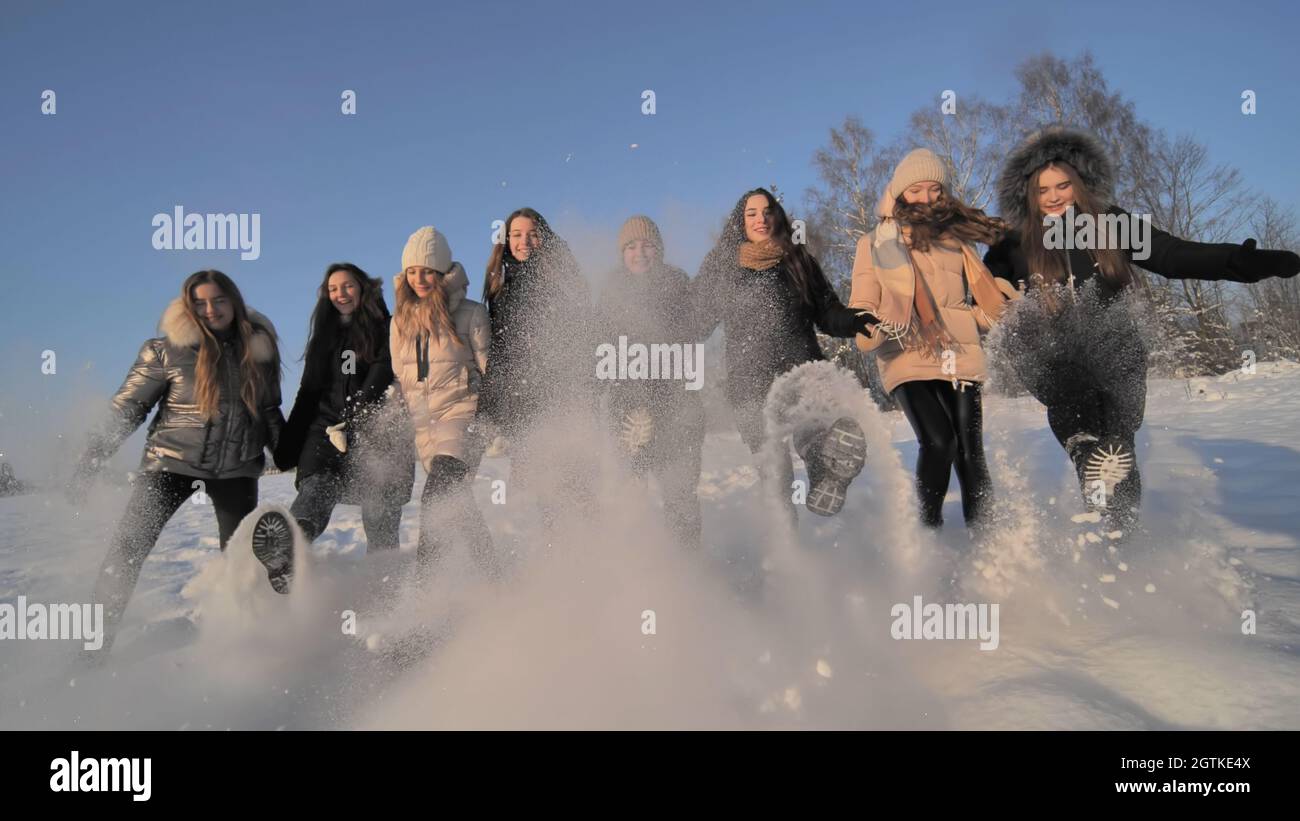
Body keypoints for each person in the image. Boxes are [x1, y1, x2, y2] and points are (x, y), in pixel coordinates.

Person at [68, 270, 283, 654]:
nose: (210, 309)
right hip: (170, 466)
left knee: (239, 562)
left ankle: (241, 648)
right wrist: (92, 456)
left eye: (218, 300)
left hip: (236, 471)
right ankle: (92, 650)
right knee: (125, 554)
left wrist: (296, 459)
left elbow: (268, 413)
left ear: (233, 301)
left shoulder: (258, 351)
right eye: (199, 302)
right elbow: (128, 408)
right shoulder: (165, 350)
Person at [850, 149, 1017, 530]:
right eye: (916, 189)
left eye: (934, 189)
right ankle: (927, 533)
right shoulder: (875, 242)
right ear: (900, 192)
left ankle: (986, 542)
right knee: (940, 441)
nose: (925, 198)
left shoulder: (957, 241)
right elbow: (862, 302)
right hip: (906, 352)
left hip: (960, 353)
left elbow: (977, 307)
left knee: (970, 452)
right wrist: (869, 324)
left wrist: (976, 315)